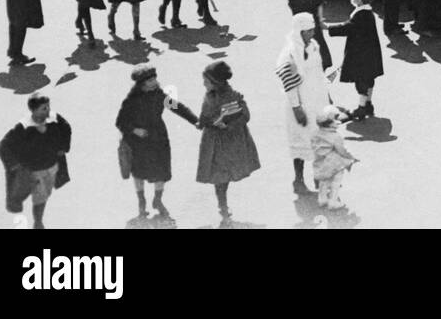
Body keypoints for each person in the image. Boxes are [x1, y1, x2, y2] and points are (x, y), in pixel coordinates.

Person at [116, 66, 196, 223]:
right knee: (139, 172)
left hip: (158, 138)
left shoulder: (160, 96)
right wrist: (134, 130)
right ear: (142, 84)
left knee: (161, 170)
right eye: (151, 80)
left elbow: (178, 108)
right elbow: (120, 122)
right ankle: (141, 201)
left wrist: (195, 120)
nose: (155, 82)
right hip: (138, 142)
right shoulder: (130, 101)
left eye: (155, 78)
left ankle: (158, 200)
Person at [194, 60, 261, 227]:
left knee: (222, 176)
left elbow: (244, 116)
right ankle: (223, 206)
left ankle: (223, 207)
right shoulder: (209, 95)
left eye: (206, 81)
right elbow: (205, 111)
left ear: (216, 82)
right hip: (212, 141)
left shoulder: (233, 97)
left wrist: (228, 126)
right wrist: (201, 122)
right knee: (219, 177)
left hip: (228, 143)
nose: (203, 84)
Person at [277, 12, 333, 196]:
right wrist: (296, 107)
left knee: (320, 140)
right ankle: (298, 179)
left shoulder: (314, 46)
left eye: (312, 30)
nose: (311, 34)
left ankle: (319, 178)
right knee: (300, 140)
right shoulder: (291, 52)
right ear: (299, 31)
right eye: (307, 31)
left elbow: (318, 73)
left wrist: (327, 92)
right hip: (301, 103)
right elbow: (288, 80)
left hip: (318, 100)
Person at [0, 93, 71, 229]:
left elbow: (66, 128)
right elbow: (4, 145)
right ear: (34, 110)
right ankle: (38, 222)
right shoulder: (23, 127)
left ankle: (38, 220)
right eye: (44, 108)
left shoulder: (54, 119)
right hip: (36, 170)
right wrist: (14, 165)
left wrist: (63, 147)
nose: (48, 110)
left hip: (52, 166)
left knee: (44, 194)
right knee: (40, 197)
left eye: (48, 106)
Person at [326, 0, 384, 121]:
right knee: (369, 79)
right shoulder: (366, 13)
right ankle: (368, 104)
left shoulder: (361, 15)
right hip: (370, 54)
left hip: (361, 55)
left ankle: (361, 107)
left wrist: (329, 28)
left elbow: (349, 27)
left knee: (361, 81)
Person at [311, 106, 357, 211]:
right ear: (330, 123)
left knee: (323, 181)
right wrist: (351, 157)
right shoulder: (336, 136)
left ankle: (322, 199)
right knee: (336, 182)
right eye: (336, 120)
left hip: (319, 162)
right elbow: (342, 150)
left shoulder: (315, 134)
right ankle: (333, 201)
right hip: (333, 164)